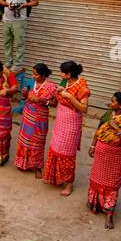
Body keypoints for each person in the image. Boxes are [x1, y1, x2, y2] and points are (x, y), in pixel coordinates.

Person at [86, 92, 121, 228]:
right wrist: (93, 145)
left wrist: (116, 129)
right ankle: (95, 204)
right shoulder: (107, 115)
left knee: (112, 184)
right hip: (101, 152)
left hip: (116, 155)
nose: (110, 103)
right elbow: (98, 131)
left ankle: (109, 214)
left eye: (113, 101)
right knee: (96, 179)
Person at [43, 61, 90, 195]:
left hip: (72, 122)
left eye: (62, 72)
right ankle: (55, 177)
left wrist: (69, 96)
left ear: (69, 74)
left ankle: (69, 184)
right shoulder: (65, 82)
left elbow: (84, 108)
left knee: (67, 153)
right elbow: (57, 99)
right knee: (56, 147)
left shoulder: (82, 86)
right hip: (61, 120)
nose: (60, 74)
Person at [14, 63, 58, 175]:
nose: (33, 76)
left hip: (40, 117)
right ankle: (23, 163)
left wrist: (43, 101)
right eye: (33, 73)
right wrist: (24, 94)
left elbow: (54, 103)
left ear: (43, 75)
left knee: (38, 141)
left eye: (36, 74)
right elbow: (24, 97)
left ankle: (37, 166)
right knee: (25, 139)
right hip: (28, 115)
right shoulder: (30, 82)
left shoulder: (51, 87)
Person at [0, 0, 38, 76]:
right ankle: (8, 62)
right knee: (7, 42)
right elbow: (0, 0)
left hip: (20, 20)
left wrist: (24, 5)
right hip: (6, 19)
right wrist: (7, 5)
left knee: (19, 43)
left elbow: (35, 2)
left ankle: (18, 64)